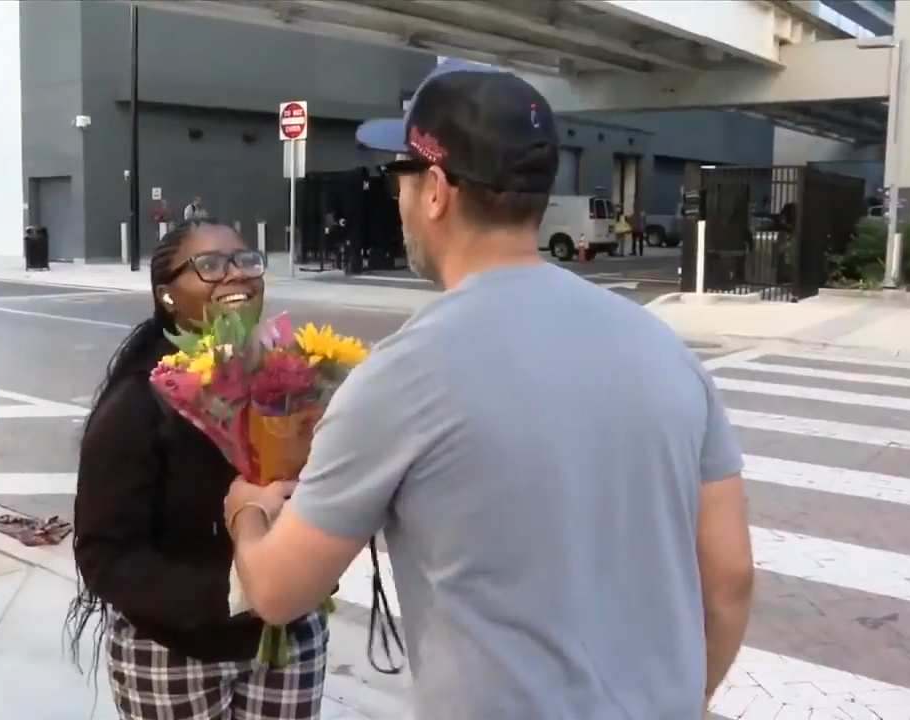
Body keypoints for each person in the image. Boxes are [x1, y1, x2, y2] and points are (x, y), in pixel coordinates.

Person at [222, 60, 755, 719]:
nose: (399, 200)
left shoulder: (404, 375)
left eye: (402, 178)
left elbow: (278, 591)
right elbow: (729, 580)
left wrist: (245, 511)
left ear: (437, 190)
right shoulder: (664, 350)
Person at [68, 218, 328, 720]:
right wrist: (239, 589)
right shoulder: (137, 403)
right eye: (208, 265)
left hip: (288, 643)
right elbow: (104, 554)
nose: (234, 275)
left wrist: (311, 576)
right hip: (172, 653)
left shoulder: (289, 384)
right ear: (167, 296)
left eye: (245, 260)